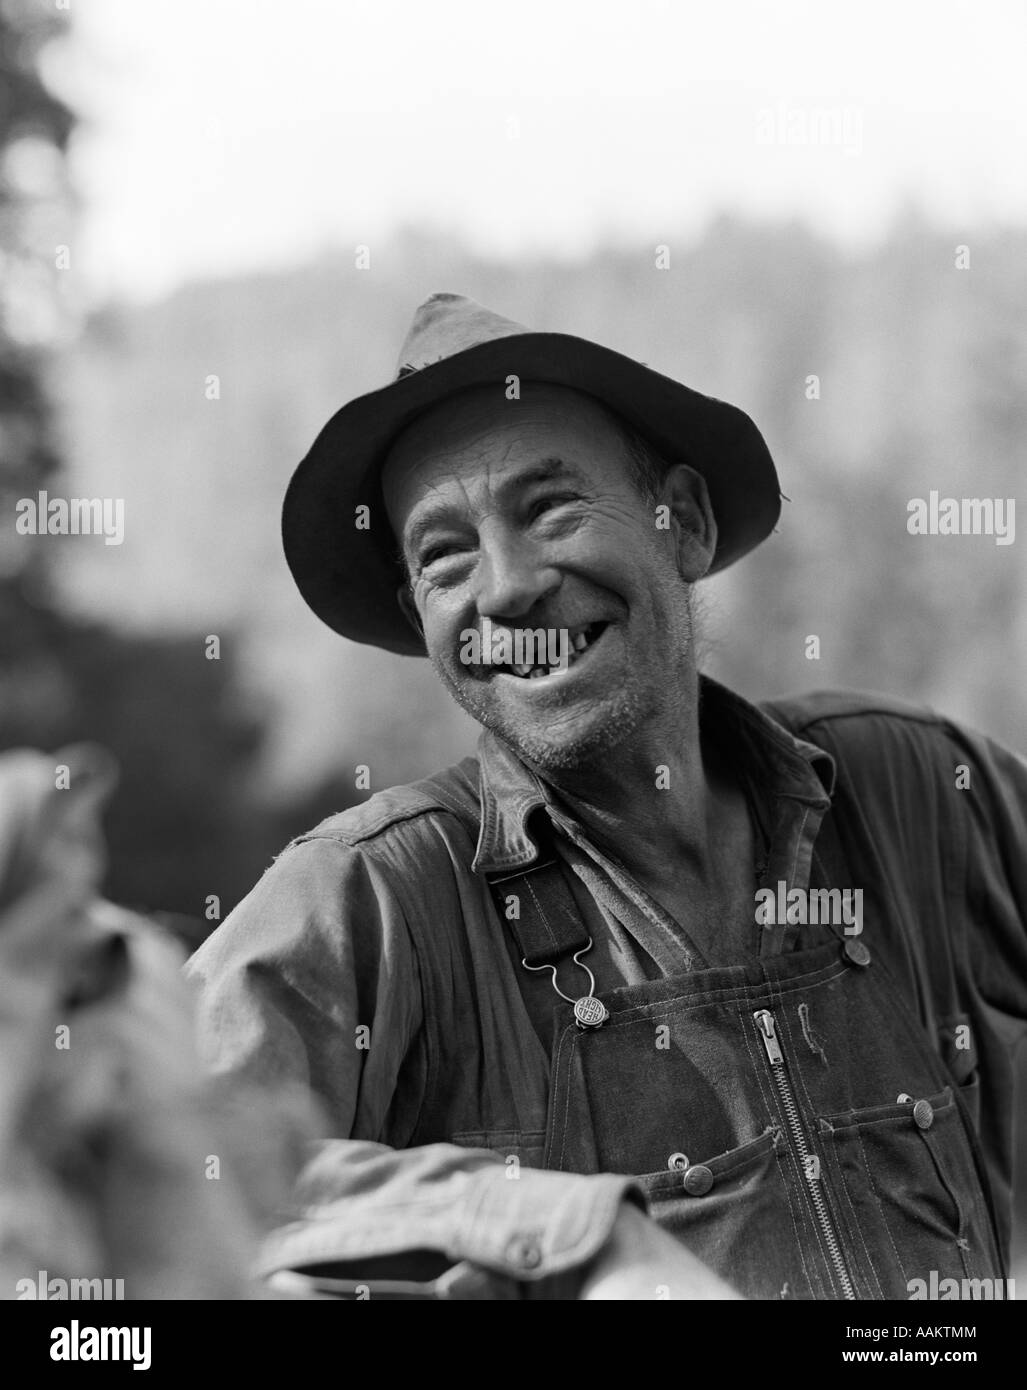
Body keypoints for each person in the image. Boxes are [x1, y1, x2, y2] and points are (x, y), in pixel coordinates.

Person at [186, 292, 1027, 1300]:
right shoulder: (370, 898)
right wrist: (553, 1229)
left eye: (551, 508)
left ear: (687, 522)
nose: (504, 589)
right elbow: (126, 1167)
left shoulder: (921, 790)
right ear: (422, 615)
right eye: (445, 555)